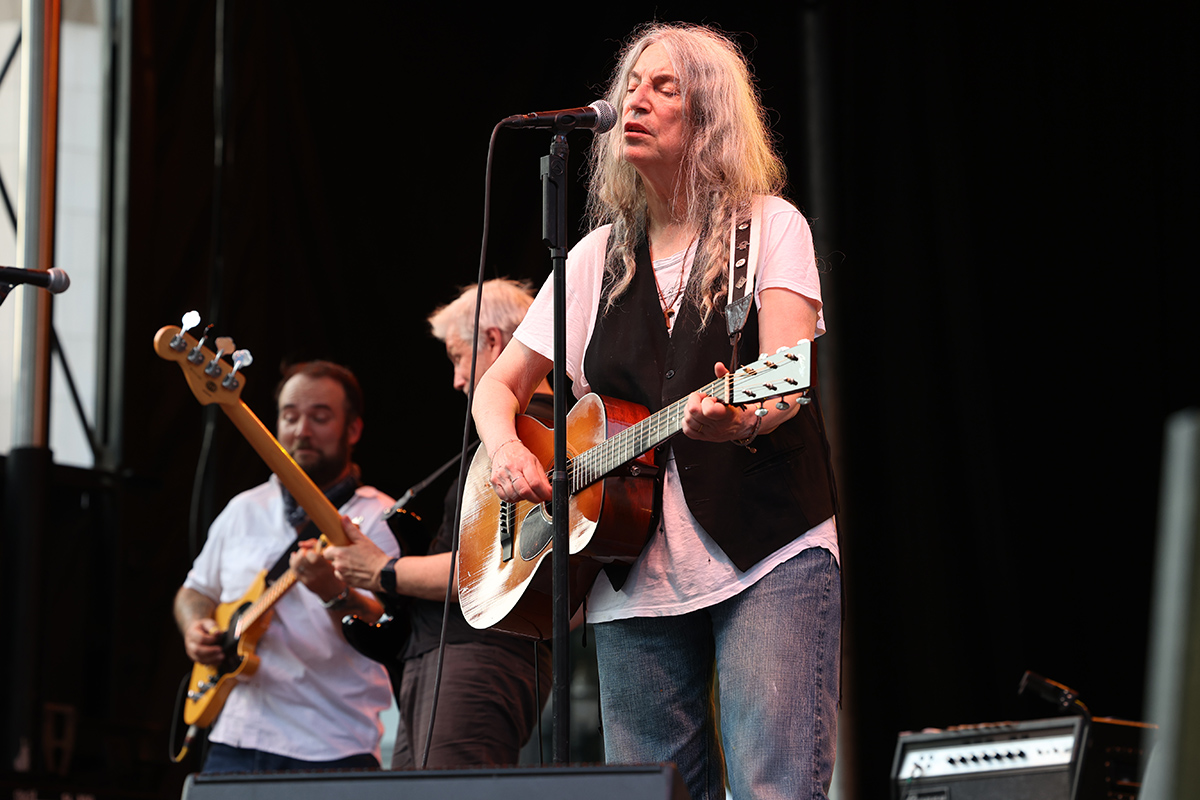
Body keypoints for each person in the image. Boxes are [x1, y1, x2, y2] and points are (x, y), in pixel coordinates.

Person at [471, 23, 841, 800]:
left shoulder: (768, 227)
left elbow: (787, 375)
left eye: (663, 88)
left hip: (764, 548)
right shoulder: (593, 257)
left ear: (708, 116)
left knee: (777, 788)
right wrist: (506, 448)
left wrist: (744, 419)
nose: (634, 100)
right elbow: (496, 387)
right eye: (630, 85)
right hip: (628, 569)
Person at [323, 279, 552, 769]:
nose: (456, 379)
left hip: (478, 658)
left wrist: (383, 571)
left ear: (493, 340)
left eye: (457, 355)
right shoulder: (512, 437)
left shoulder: (542, 435)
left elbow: (486, 568)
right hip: (447, 657)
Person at [173, 361, 400, 773]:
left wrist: (335, 592)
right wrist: (195, 628)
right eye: (290, 416)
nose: (302, 430)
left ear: (353, 430)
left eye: (320, 416)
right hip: (234, 739)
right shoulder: (244, 508)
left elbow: (391, 626)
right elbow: (195, 592)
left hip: (333, 746)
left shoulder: (379, 518)